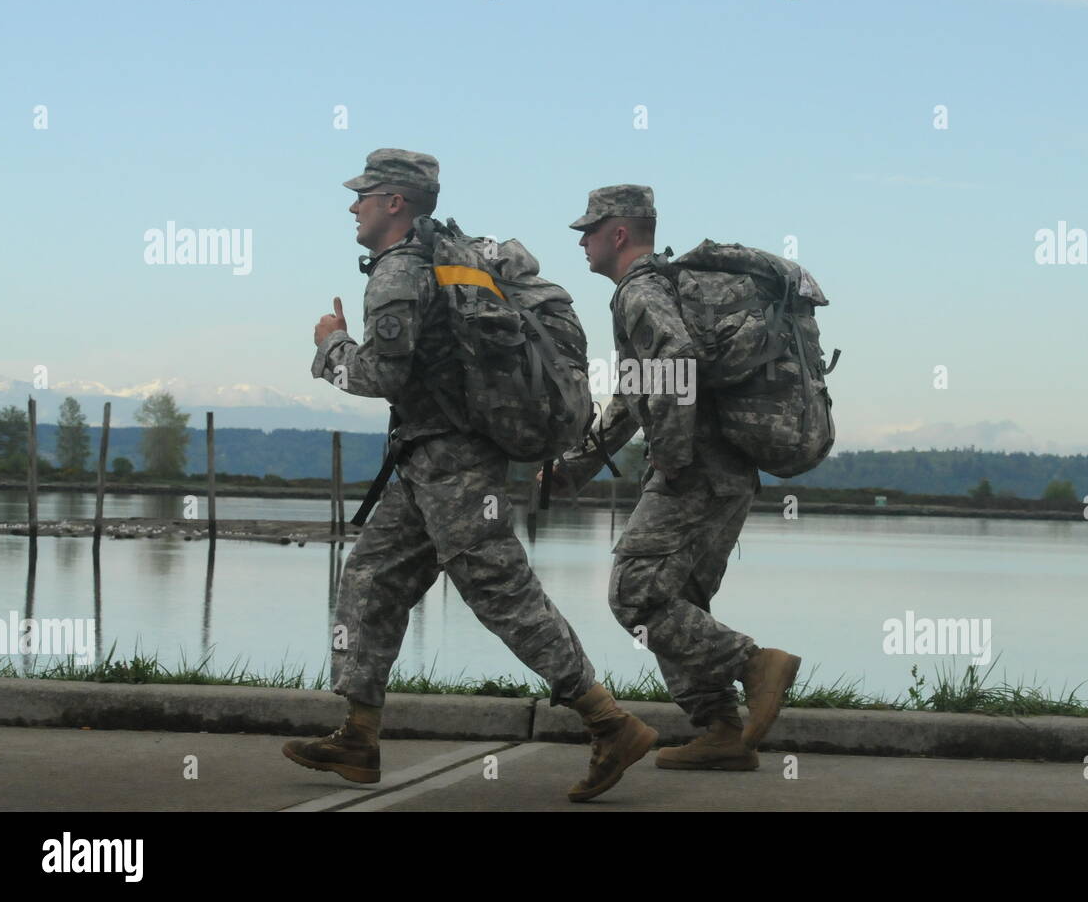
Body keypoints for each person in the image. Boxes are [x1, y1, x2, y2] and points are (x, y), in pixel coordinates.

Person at [284, 150, 657, 802]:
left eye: (364, 194)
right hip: (429, 462)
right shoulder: (451, 253)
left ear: (396, 202)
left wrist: (330, 345)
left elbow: (381, 375)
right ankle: (358, 733)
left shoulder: (400, 270)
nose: (354, 205)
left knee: (502, 594)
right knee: (372, 576)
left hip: (451, 466)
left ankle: (610, 721)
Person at [552, 184, 801, 770]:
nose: (582, 241)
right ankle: (719, 729)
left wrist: (668, 453)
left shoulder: (640, 292)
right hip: (728, 470)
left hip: (694, 470)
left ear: (619, 234)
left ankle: (754, 664)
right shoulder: (661, 288)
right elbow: (634, 393)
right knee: (679, 600)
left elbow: (675, 358)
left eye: (589, 230)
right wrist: (575, 467)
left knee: (634, 595)